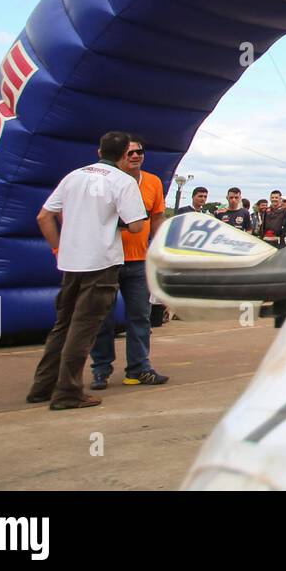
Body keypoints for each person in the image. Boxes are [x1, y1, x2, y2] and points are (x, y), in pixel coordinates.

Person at [27, 131, 147, 410]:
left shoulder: (73, 176)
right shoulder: (123, 181)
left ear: (98, 151)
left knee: (63, 325)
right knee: (84, 328)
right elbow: (138, 225)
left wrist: (58, 248)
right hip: (101, 263)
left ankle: (42, 386)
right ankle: (67, 391)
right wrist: (115, 224)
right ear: (122, 156)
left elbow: (44, 217)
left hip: (71, 262)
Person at [89, 134, 169, 389]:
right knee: (103, 318)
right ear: (120, 154)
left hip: (138, 261)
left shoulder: (153, 182)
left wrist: (157, 246)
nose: (135, 156)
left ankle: (138, 369)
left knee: (140, 317)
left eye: (140, 152)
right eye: (130, 152)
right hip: (108, 261)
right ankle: (100, 369)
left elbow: (156, 217)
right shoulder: (106, 181)